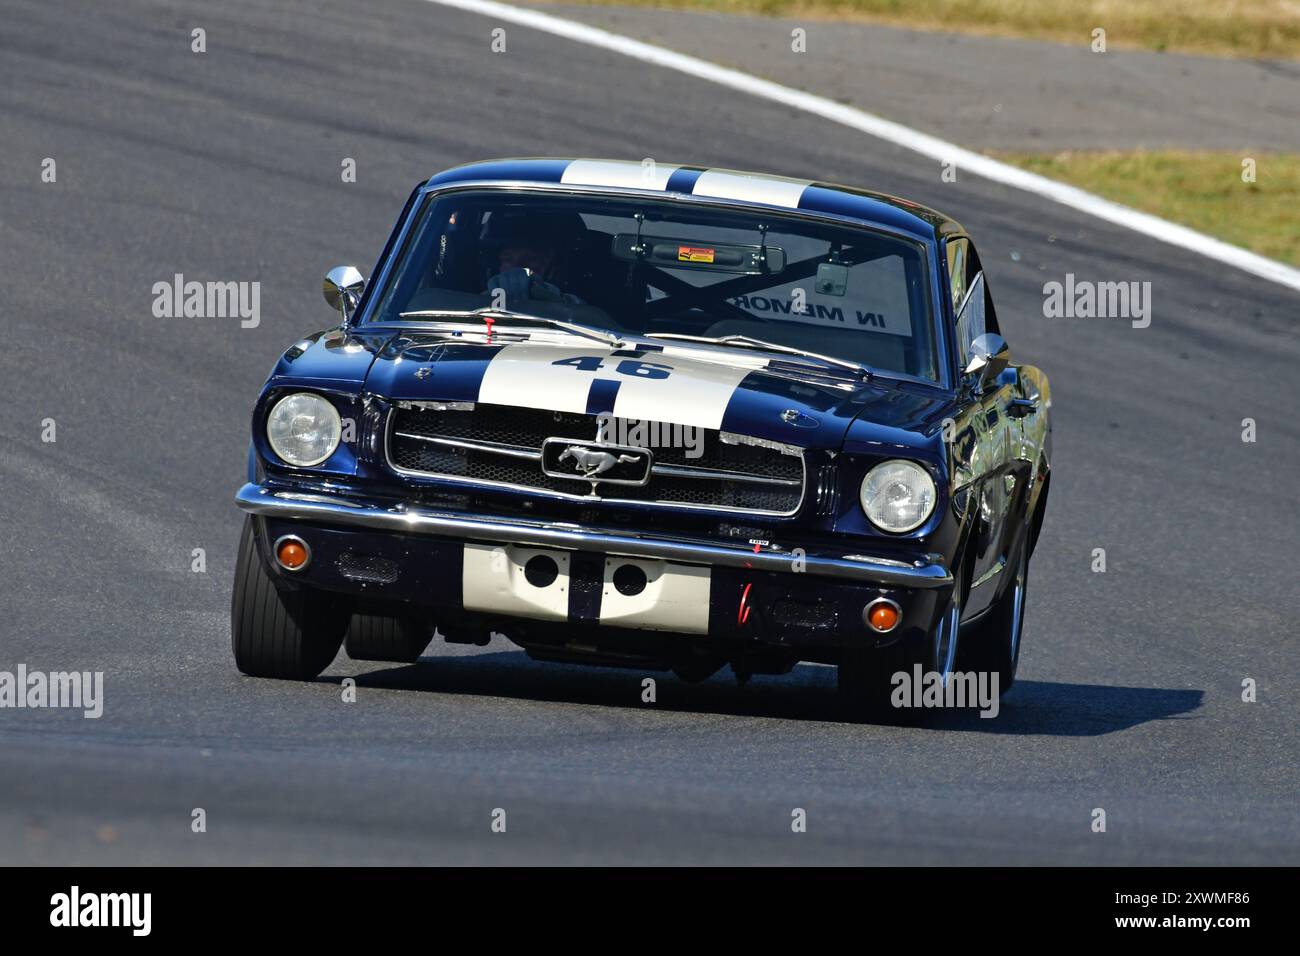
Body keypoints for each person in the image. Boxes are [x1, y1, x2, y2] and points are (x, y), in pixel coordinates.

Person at [481, 211, 586, 307]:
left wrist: (561, 305)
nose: (520, 268)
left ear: (555, 266)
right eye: (508, 259)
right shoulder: (475, 305)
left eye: (534, 259)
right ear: (495, 264)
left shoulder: (578, 310)